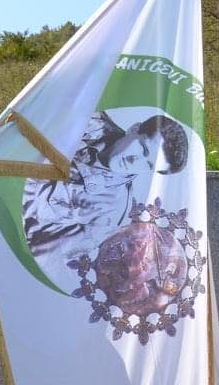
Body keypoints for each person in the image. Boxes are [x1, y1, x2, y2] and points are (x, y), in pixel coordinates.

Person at [22, 110, 189, 277]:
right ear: (134, 129)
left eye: (149, 165)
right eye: (142, 148)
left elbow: (37, 259)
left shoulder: (110, 213)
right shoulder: (89, 118)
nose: (135, 161)